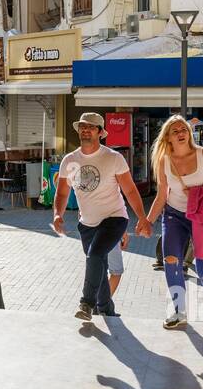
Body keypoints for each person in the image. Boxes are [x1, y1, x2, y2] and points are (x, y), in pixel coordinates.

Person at [52, 112, 149, 321]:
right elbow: (61, 193)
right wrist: (58, 215)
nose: (85, 130)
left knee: (94, 256)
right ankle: (106, 309)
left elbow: (130, 191)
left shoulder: (113, 158)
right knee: (100, 267)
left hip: (114, 218)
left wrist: (142, 217)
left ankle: (86, 304)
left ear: (100, 132)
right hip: (86, 224)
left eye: (91, 127)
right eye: (83, 126)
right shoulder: (70, 160)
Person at [143, 113, 203, 330]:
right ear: (168, 138)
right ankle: (178, 310)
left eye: (183, 130)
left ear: (189, 134)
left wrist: (201, 191)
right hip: (173, 216)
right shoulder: (164, 160)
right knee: (170, 261)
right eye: (175, 131)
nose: (181, 133)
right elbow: (162, 195)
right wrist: (148, 221)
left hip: (201, 217)